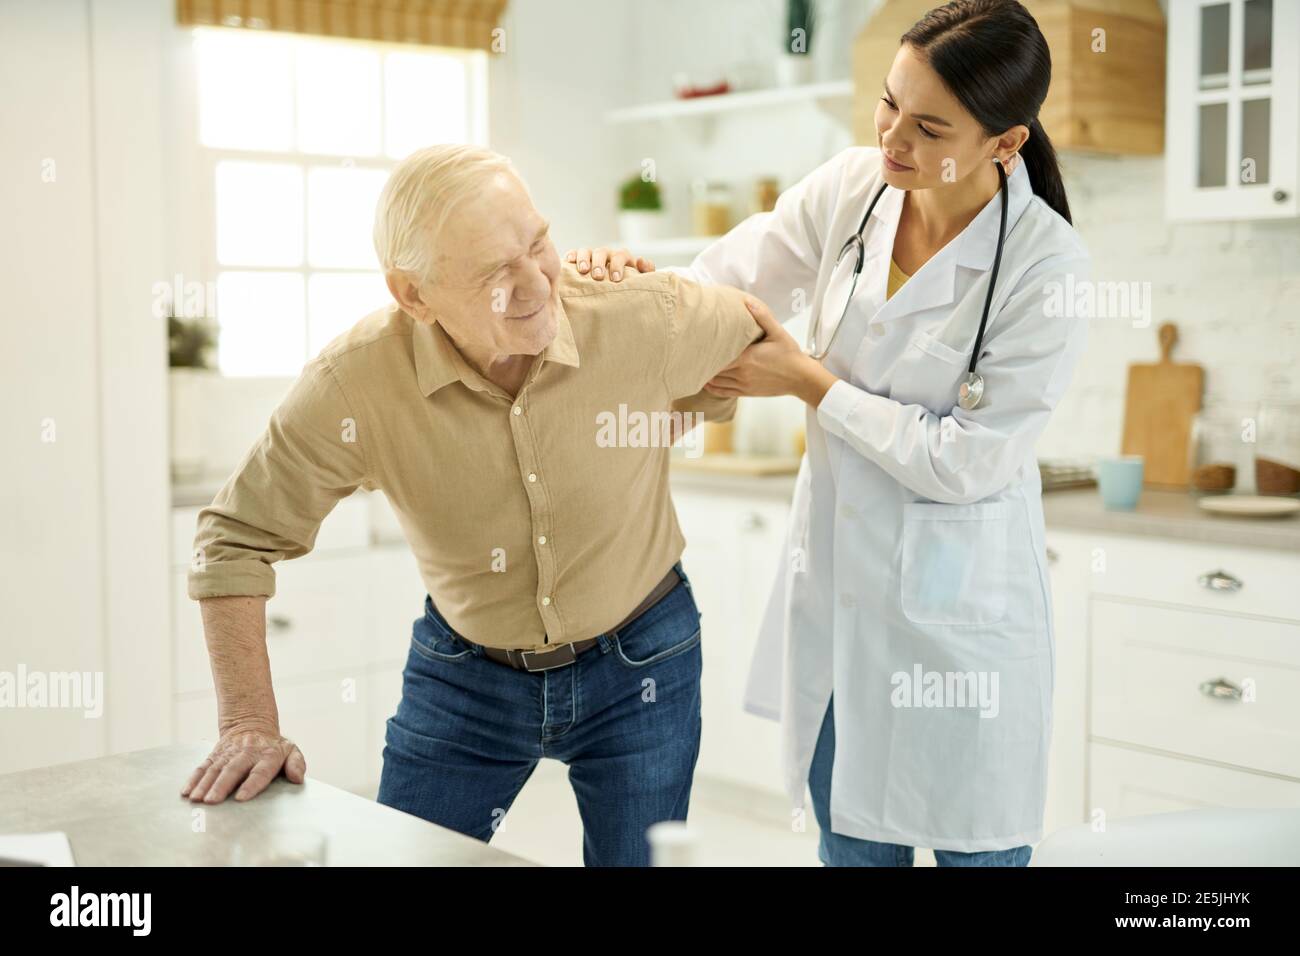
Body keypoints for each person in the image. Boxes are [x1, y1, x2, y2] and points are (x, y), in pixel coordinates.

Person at [566, 0, 1090, 866]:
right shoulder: (853, 187)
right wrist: (631, 284)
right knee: (848, 851)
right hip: (842, 606)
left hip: (959, 634)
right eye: (889, 103)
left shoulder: (1047, 267)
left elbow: (964, 461)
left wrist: (807, 381)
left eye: (929, 127)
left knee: (978, 853)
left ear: (1006, 143)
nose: (893, 140)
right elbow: (722, 286)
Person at [181, 144, 764, 867]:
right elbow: (232, 539)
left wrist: (678, 400)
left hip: (641, 654)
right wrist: (248, 724)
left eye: (538, 244)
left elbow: (762, 339)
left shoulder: (641, 312)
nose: (535, 285)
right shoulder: (356, 384)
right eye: (495, 273)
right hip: (467, 679)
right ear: (414, 296)